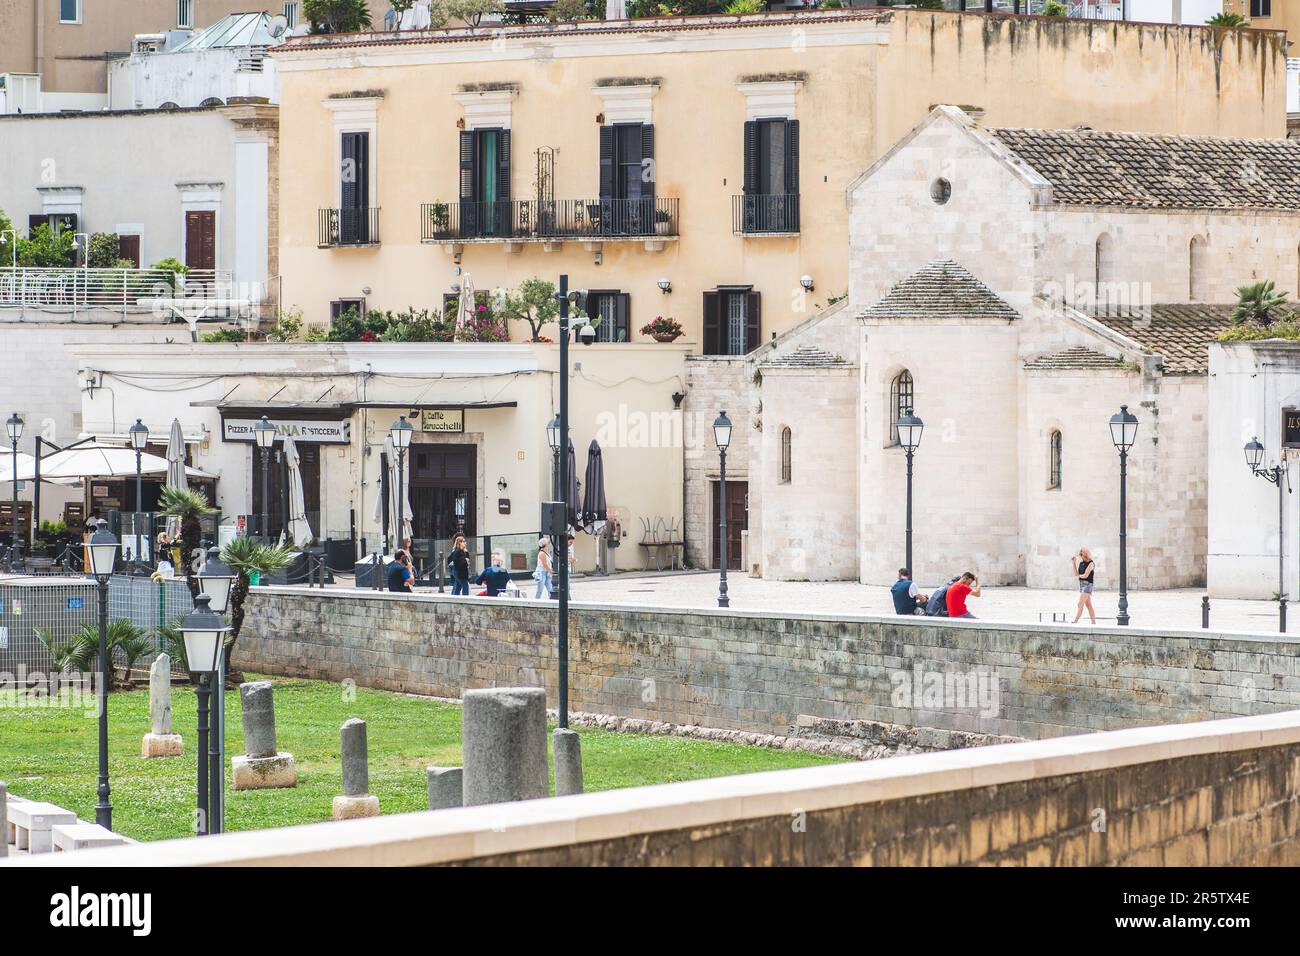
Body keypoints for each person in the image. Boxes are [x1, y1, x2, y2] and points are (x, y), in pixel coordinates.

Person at [1072, 546, 1097, 624]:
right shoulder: (1081, 563)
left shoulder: (1091, 563)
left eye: (1082, 555)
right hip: (1081, 585)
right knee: (1088, 605)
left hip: (1087, 585)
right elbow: (1076, 574)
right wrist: (1074, 563)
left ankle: (1075, 621)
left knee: (1080, 603)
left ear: (1086, 554)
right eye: (1080, 555)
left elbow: (1085, 575)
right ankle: (1094, 622)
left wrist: (1079, 576)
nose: (1081, 556)